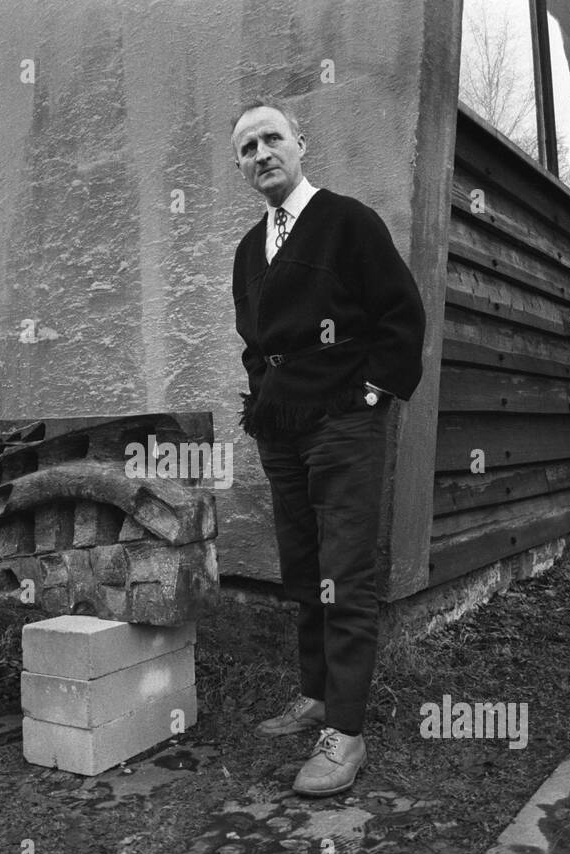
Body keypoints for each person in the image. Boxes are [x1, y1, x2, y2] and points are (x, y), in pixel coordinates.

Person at [230, 97, 426, 797]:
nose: (261, 154)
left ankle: (345, 729)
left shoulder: (348, 222)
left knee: (344, 569)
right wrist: (265, 396)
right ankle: (314, 692)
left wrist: (373, 391)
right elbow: (255, 343)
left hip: (345, 421)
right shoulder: (249, 251)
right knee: (302, 566)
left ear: (300, 142)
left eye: (271, 138)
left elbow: (402, 315)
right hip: (281, 430)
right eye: (247, 147)